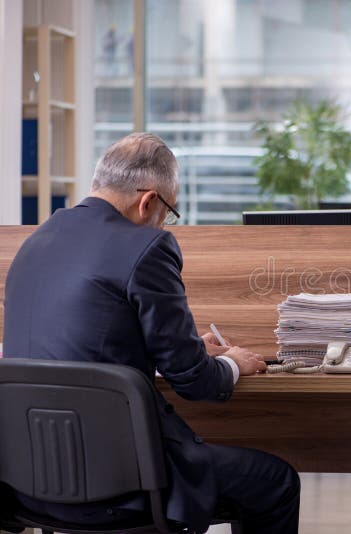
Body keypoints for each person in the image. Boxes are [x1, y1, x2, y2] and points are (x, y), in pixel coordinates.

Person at [3, 133, 300, 534]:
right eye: (169, 211)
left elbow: (90, 344)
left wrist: (191, 348)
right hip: (122, 486)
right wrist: (231, 363)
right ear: (148, 201)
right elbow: (193, 381)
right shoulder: (147, 245)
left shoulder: (35, 242)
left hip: (30, 482)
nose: (165, 222)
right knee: (276, 482)